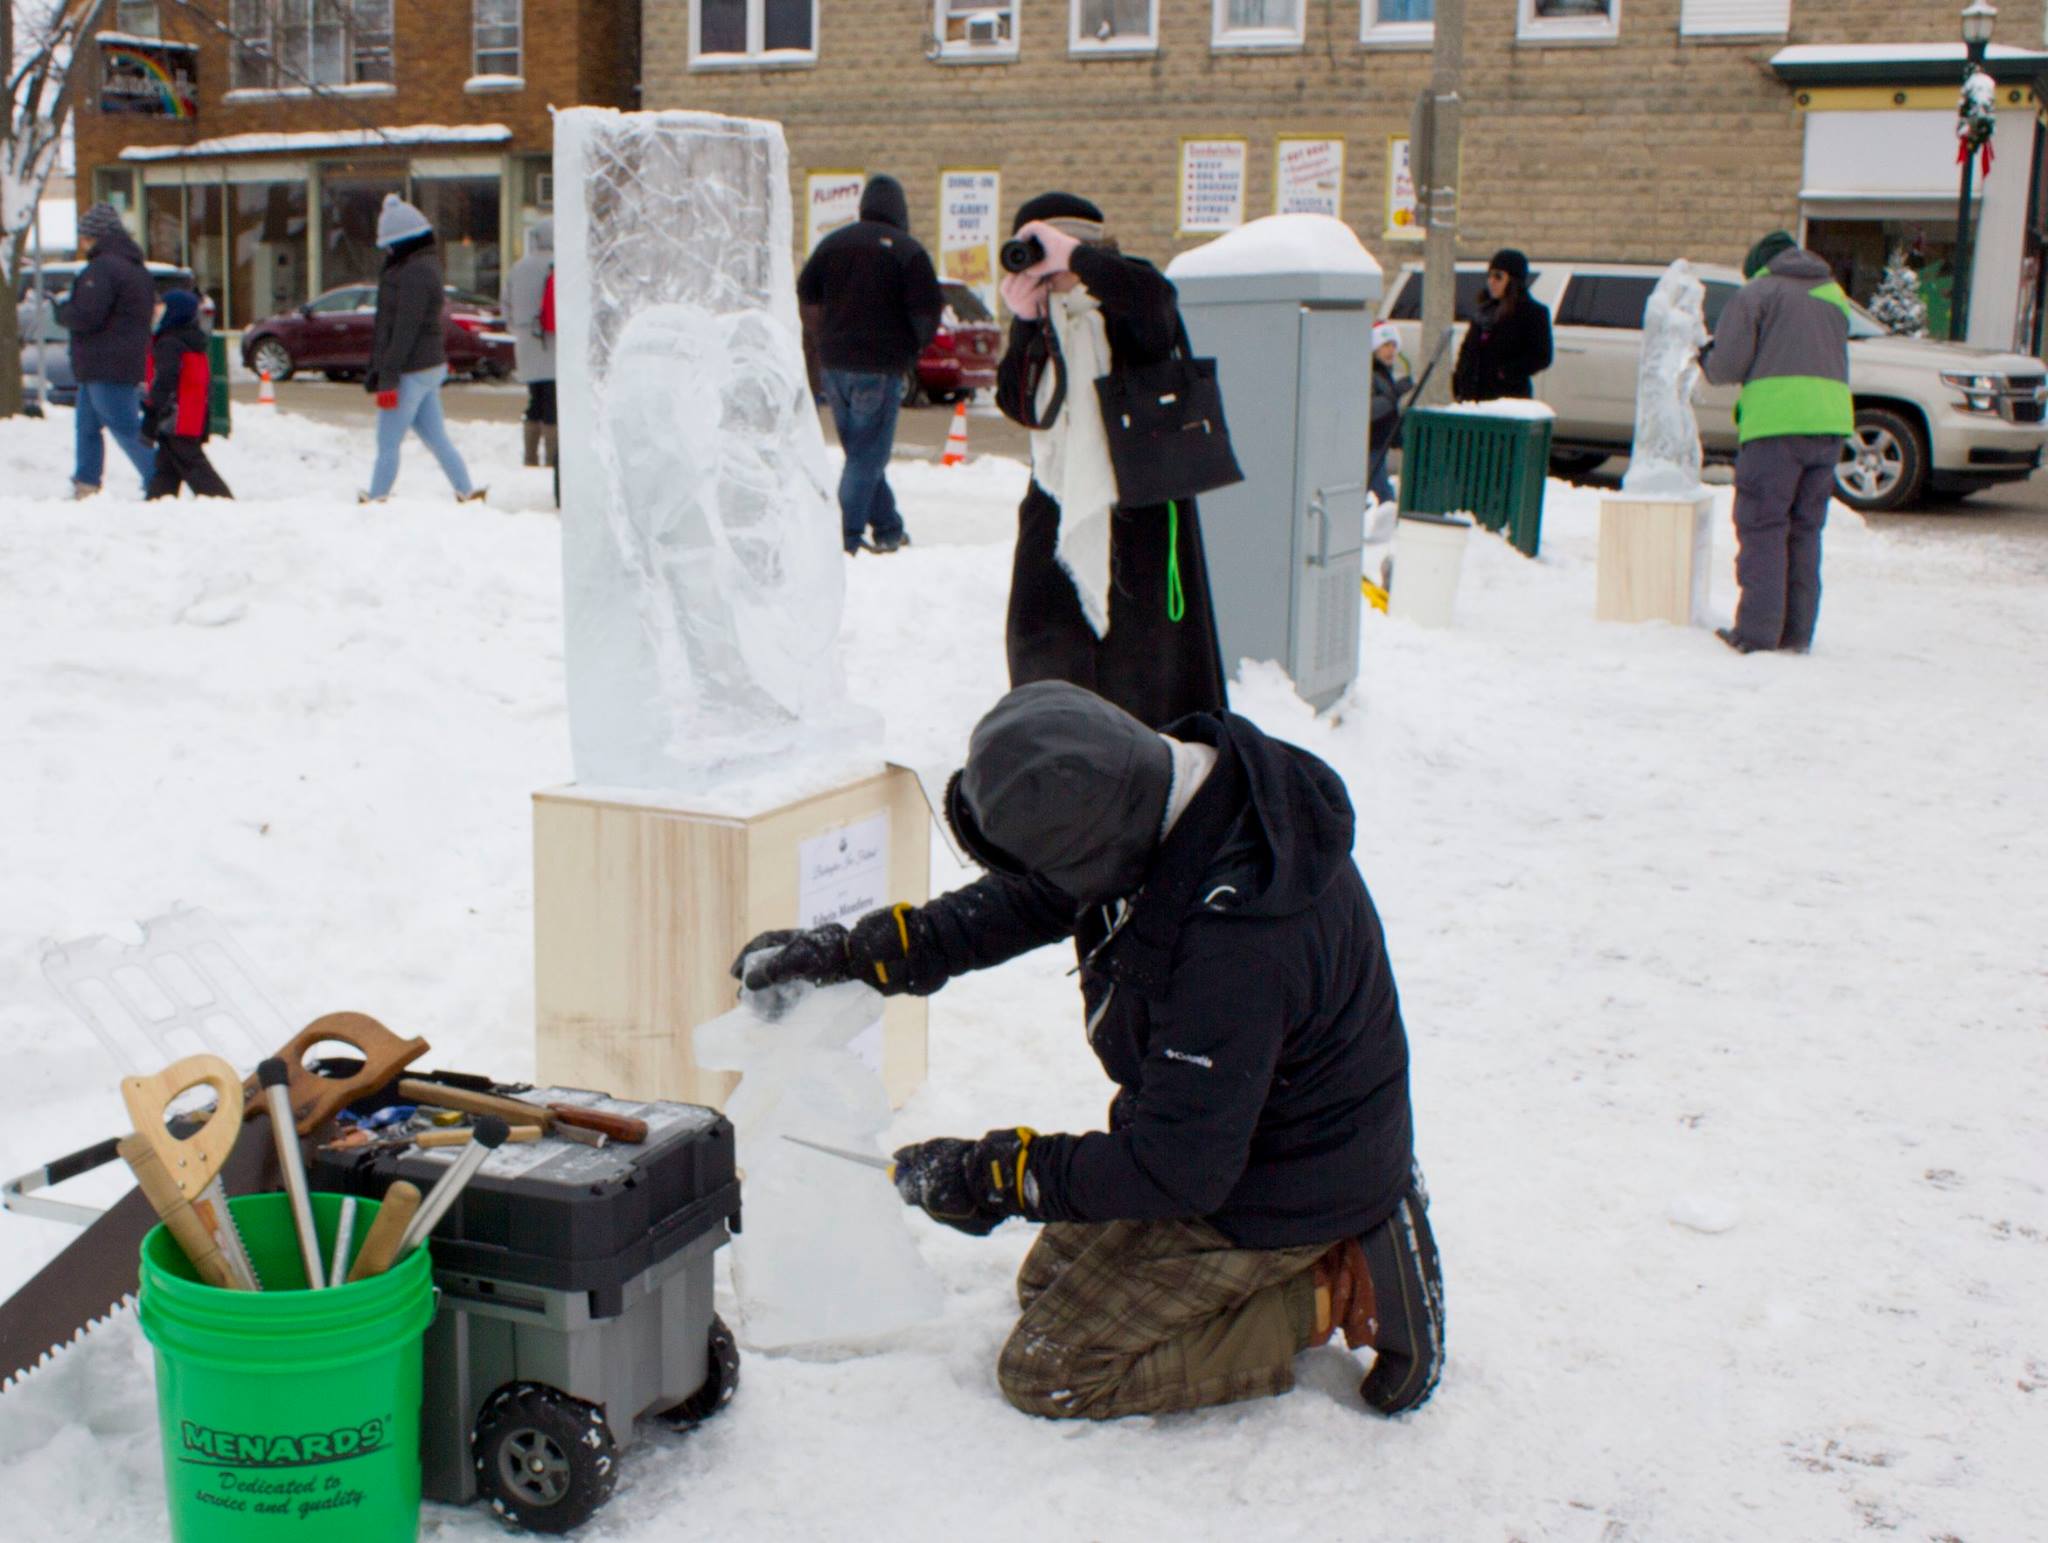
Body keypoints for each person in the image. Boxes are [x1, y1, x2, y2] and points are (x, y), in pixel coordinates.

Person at [736, 680, 1445, 1422]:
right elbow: (1035, 896)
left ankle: (1328, 1285)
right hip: (1237, 1124)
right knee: (1045, 1284)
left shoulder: (1237, 946)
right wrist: (860, 952)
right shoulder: (1160, 793)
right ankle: (1326, 1240)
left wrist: (999, 1175)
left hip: (1285, 1172)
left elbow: (1178, 1170)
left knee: (1055, 1367)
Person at [993, 192, 1229, 730]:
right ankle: (1057, 756)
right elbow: (1020, 405)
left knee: (1143, 674)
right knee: (1041, 647)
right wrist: (1027, 323)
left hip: (1137, 506)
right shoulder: (1046, 320)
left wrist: (1078, 261)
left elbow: (1156, 305)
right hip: (1057, 504)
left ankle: (1143, 777)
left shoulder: (1129, 297)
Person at [1702, 230, 1853, 655]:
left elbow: (1726, 365)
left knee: (1763, 527)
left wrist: (1705, 356)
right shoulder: (1833, 294)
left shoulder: (1758, 293)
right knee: (1805, 531)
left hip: (1774, 428)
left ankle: (1757, 634)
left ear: (1759, 266)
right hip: (1828, 425)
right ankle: (1797, 633)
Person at [796, 174, 942, 554]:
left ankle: (889, 527)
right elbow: (927, 312)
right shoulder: (907, 252)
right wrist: (911, 351)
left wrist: (821, 336)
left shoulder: (832, 244)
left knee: (863, 451)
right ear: (901, 211)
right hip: (879, 367)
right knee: (867, 455)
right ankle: (844, 538)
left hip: (833, 365)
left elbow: (805, 294)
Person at [362, 194, 485, 505]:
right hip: (427, 365)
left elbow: (404, 328)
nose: (386, 250)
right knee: (436, 438)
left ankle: (376, 500)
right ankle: (467, 492)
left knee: (387, 441)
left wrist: (388, 377)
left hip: (410, 369)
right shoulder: (423, 266)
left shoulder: (413, 272)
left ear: (403, 241)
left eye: (390, 243)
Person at [59, 203, 157, 499]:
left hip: (105, 362)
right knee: (87, 426)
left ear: (96, 236)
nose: (82, 242)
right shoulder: (133, 266)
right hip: (112, 360)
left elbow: (87, 315)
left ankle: (160, 479)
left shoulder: (103, 268)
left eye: (85, 236)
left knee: (124, 427)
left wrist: (62, 310)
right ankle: (85, 482)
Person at [139, 290, 231, 501]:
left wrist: (153, 408)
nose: (156, 313)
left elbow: (166, 379)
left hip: (176, 415)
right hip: (190, 413)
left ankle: (222, 501)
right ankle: (157, 502)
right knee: (167, 465)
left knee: (192, 463)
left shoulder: (169, 342)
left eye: (162, 308)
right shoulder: (191, 340)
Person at [1451, 248, 1553, 403]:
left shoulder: (1532, 313)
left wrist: (1505, 373)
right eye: (1489, 276)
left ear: (1513, 280)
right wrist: (1459, 381)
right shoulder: (1484, 310)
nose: (1491, 282)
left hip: (1508, 398)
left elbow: (1541, 356)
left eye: (1498, 277)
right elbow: (1467, 350)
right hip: (1473, 398)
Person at [507, 218, 556, 471]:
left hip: (526, 342)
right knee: (553, 400)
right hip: (553, 342)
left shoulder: (518, 268)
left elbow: (506, 306)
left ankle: (529, 455)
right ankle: (553, 457)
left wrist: (517, 328)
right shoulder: (561, 265)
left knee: (535, 397)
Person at [1369, 320, 1411, 507]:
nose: (1391, 350)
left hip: (1380, 444)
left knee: (1381, 491)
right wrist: (1395, 394)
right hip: (1371, 445)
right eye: (1385, 345)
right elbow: (1369, 410)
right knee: (1384, 495)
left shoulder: (1385, 375)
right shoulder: (1370, 375)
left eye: (1394, 345)